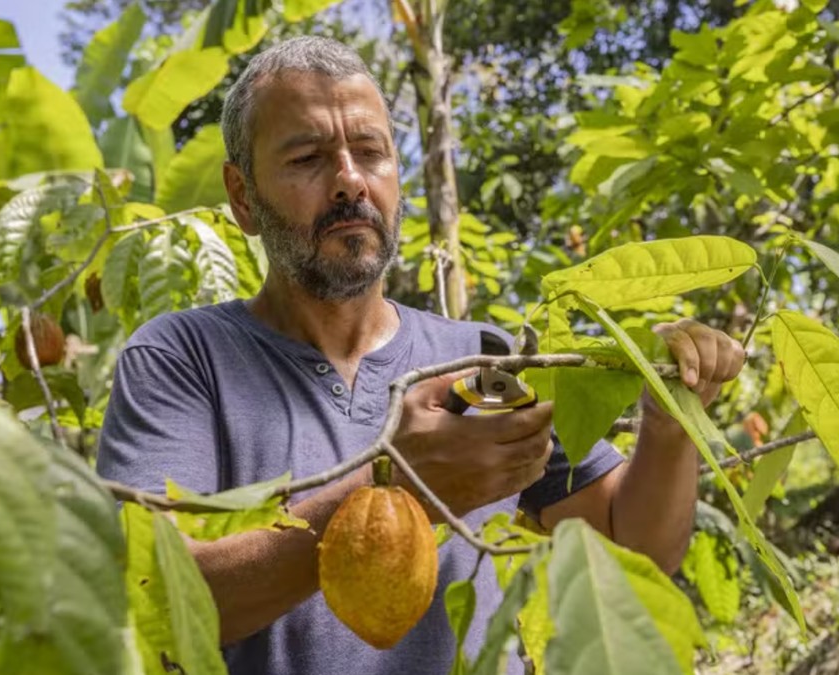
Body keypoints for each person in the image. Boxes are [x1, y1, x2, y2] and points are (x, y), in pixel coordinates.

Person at [96, 35, 746, 675]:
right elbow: (160, 595)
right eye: (307, 159)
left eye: (371, 152)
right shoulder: (181, 358)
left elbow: (631, 545)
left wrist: (666, 429)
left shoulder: (483, 359)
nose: (350, 180)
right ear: (242, 197)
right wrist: (402, 482)